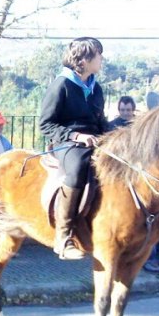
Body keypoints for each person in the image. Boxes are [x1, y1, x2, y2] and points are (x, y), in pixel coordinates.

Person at [39, 37, 111, 260]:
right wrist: (76, 135)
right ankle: (63, 236)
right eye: (99, 54)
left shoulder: (95, 87)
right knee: (79, 165)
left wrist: (114, 138)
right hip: (66, 143)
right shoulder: (61, 85)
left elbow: (100, 121)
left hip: (95, 140)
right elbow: (46, 124)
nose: (102, 59)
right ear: (84, 59)